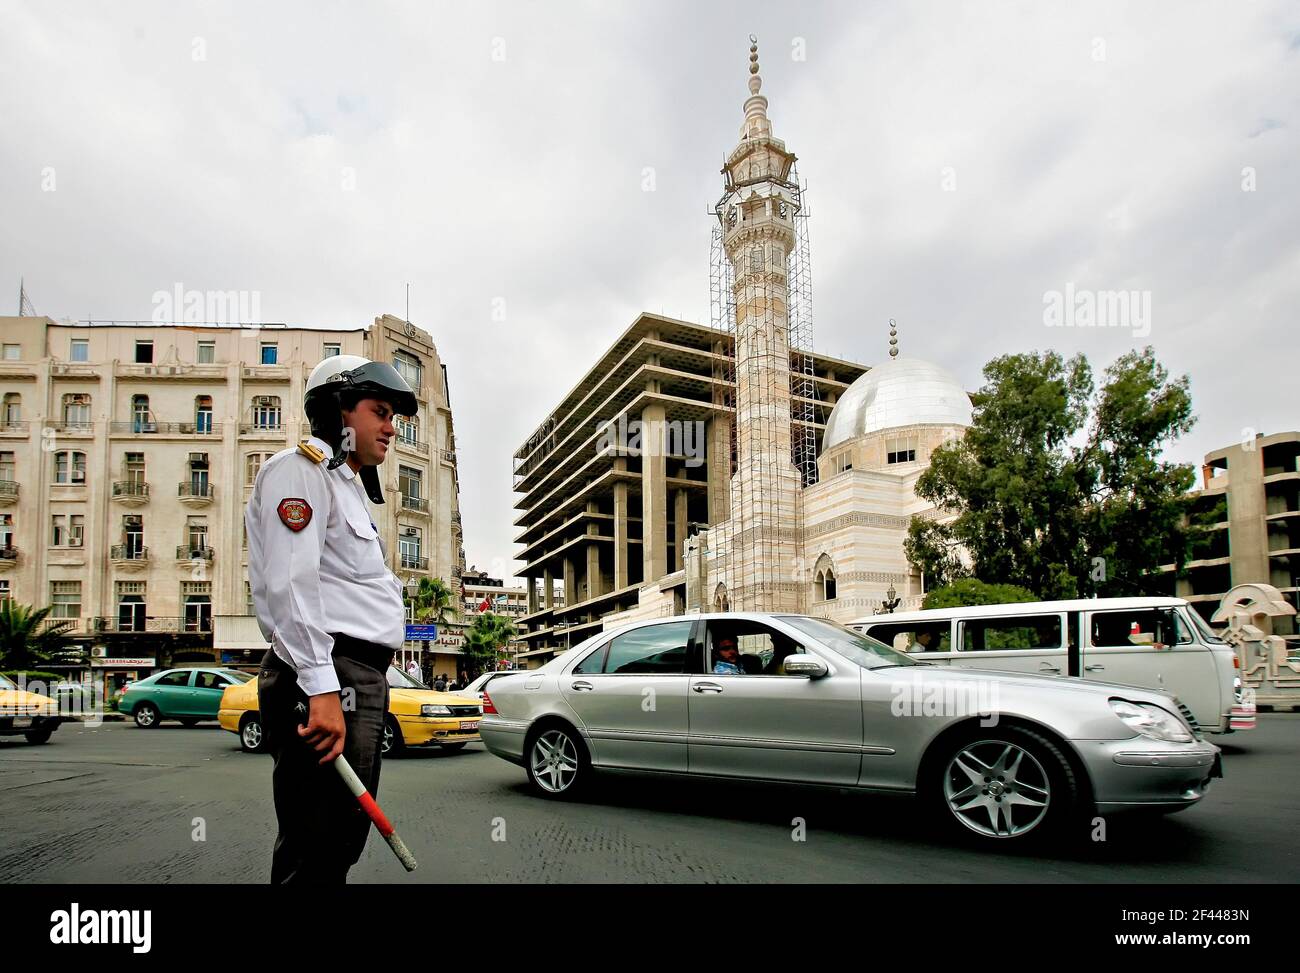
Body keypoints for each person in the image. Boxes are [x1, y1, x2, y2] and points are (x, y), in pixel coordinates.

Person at [246, 353, 416, 885]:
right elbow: (290, 588)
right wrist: (321, 688)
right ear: (339, 411)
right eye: (380, 412)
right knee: (314, 844)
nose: (391, 428)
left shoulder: (347, 487)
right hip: (328, 674)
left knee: (339, 841)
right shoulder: (300, 471)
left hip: (355, 675)